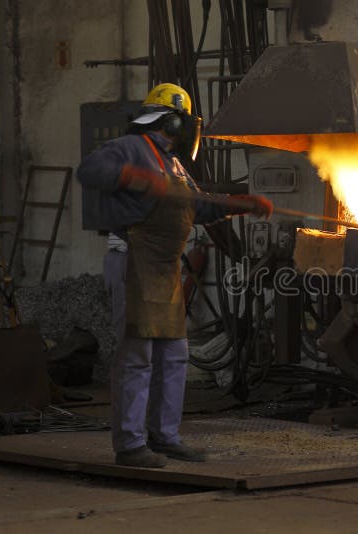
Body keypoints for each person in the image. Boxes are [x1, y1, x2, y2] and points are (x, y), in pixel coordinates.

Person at [78, 83, 272, 468]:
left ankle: (164, 437)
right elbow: (90, 169)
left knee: (173, 356)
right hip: (135, 263)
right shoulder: (131, 149)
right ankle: (130, 445)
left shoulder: (175, 164)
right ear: (173, 120)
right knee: (137, 356)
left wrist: (241, 206)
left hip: (165, 268)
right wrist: (134, 177)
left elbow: (198, 208)